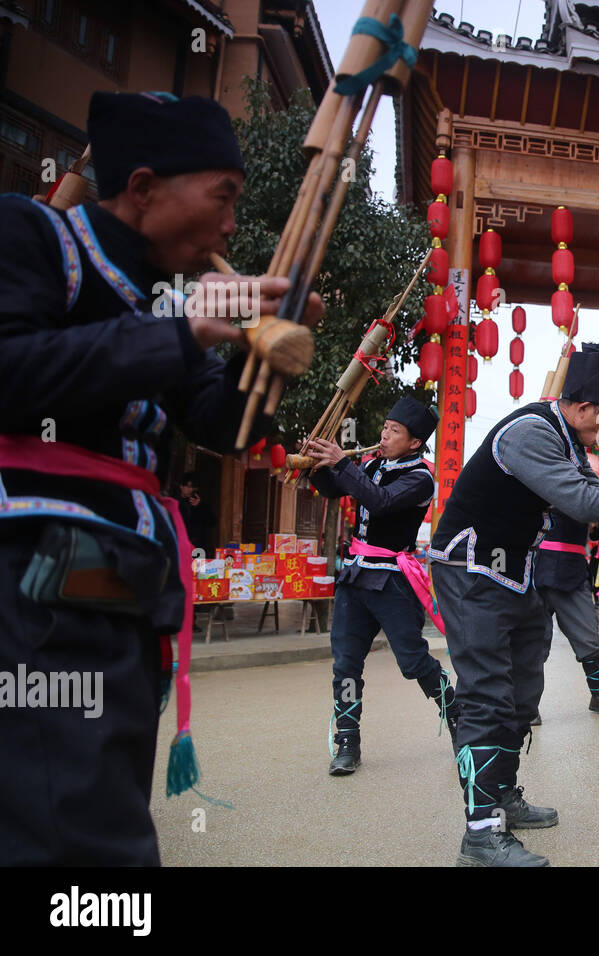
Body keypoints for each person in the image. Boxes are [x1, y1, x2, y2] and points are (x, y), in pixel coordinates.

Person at [0, 90, 322, 864]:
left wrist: (254, 363)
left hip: (125, 588)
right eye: (223, 198)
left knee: (96, 793)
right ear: (143, 187)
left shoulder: (161, 297)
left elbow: (215, 424)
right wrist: (183, 330)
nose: (232, 226)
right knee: (79, 833)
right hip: (36, 575)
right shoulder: (30, 234)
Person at [428, 343, 599, 866]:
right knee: (487, 694)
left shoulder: (570, 443)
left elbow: (595, 501)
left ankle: (503, 795)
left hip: (516, 573)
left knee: (523, 687)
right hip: (469, 569)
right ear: (580, 408)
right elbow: (583, 502)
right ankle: (480, 833)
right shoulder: (530, 433)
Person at [304, 398, 454, 776]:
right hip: (356, 577)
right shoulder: (371, 465)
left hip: (392, 580)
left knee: (413, 661)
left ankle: (459, 716)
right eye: (385, 427)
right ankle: (348, 740)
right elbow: (334, 488)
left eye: (394, 431)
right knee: (346, 664)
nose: (384, 435)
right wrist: (316, 463)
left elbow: (381, 501)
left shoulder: (421, 478)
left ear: (415, 442)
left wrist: (341, 462)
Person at [534, 508, 599, 718]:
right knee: (531, 643)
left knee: (589, 637)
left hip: (571, 569)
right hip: (533, 566)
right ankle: (526, 706)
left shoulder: (585, 477)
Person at [177, 471, 216, 559]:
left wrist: (200, 506)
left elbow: (211, 521)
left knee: (198, 569)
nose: (191, 490)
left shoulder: (199, 502)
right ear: (181, 486)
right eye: (188, 486)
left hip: (197, 543)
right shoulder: (175, 502)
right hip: (180, 542)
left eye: (193, 487)